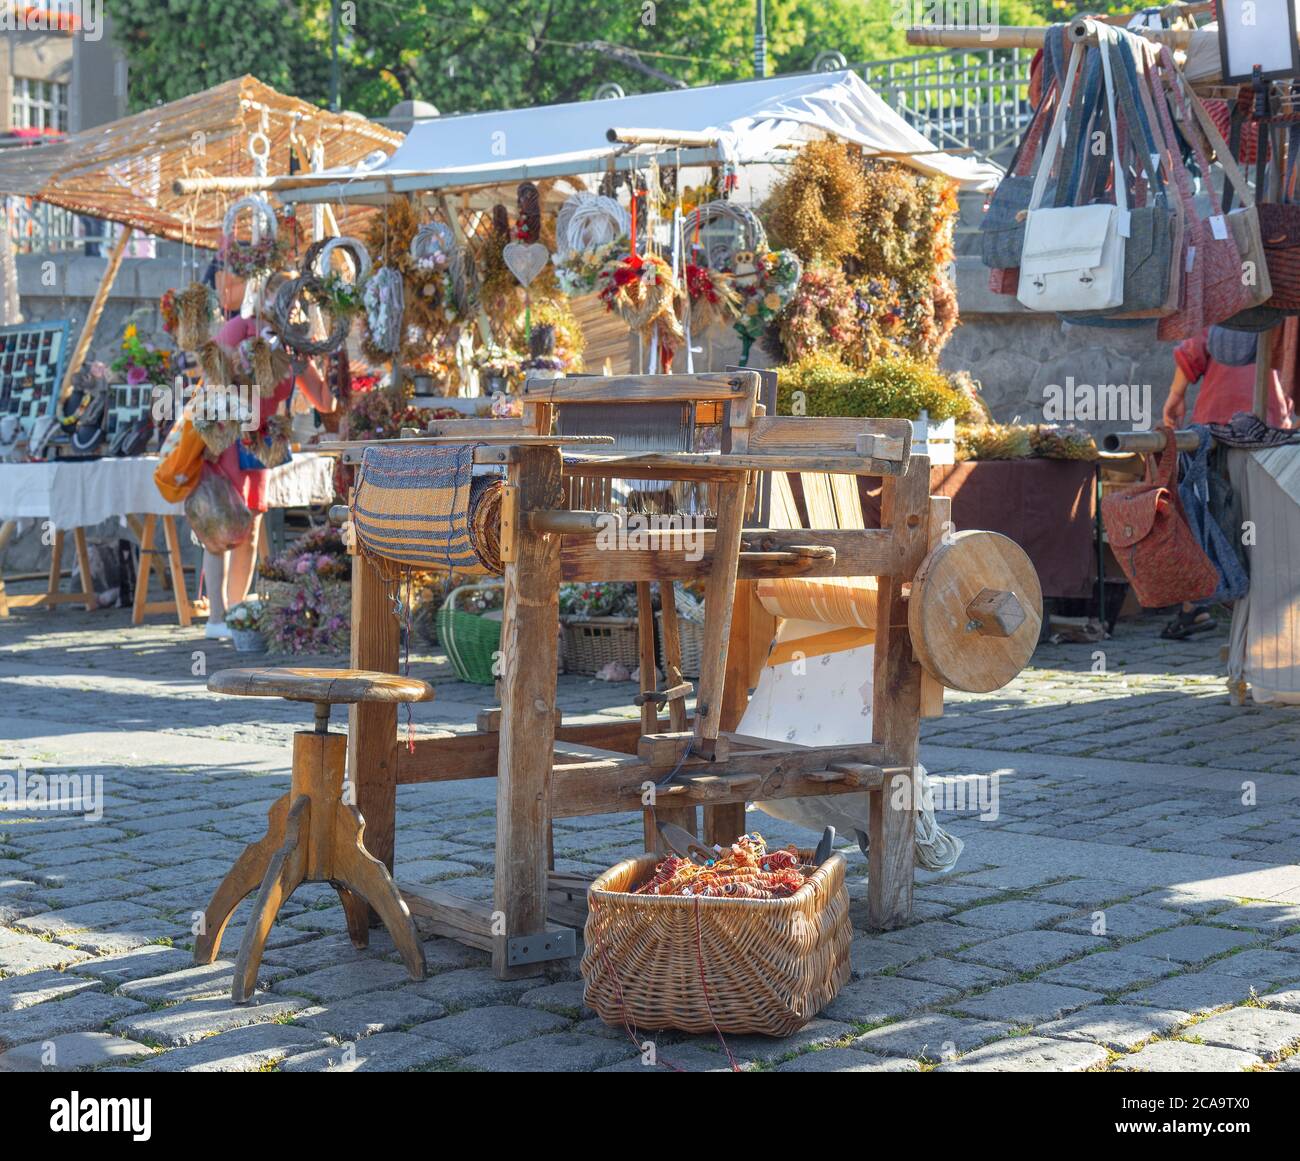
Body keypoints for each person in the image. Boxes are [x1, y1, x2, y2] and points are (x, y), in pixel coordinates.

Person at [201, 267, 335, 638]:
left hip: (261, 441)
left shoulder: (293, 345)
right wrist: (245, 364)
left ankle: (236, 610)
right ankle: (215, 617)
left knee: (250, 525)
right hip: (227, 436)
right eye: (282, 298)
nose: (290, 309)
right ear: (264, 297)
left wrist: (330, 363)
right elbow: (212, 373)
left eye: (295, 303)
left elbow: (323, 401)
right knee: (221, 523)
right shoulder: (241, 327)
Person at [1158, 327, 1293, 639]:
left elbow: (1192, 351)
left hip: (1219, 429)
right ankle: (1264, 609)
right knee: (1263, 522)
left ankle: (1197, 608)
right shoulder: (1285, 310)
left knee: (1207, 518)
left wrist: (1175, 398)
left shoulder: (1228, 310)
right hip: (1271, 432)